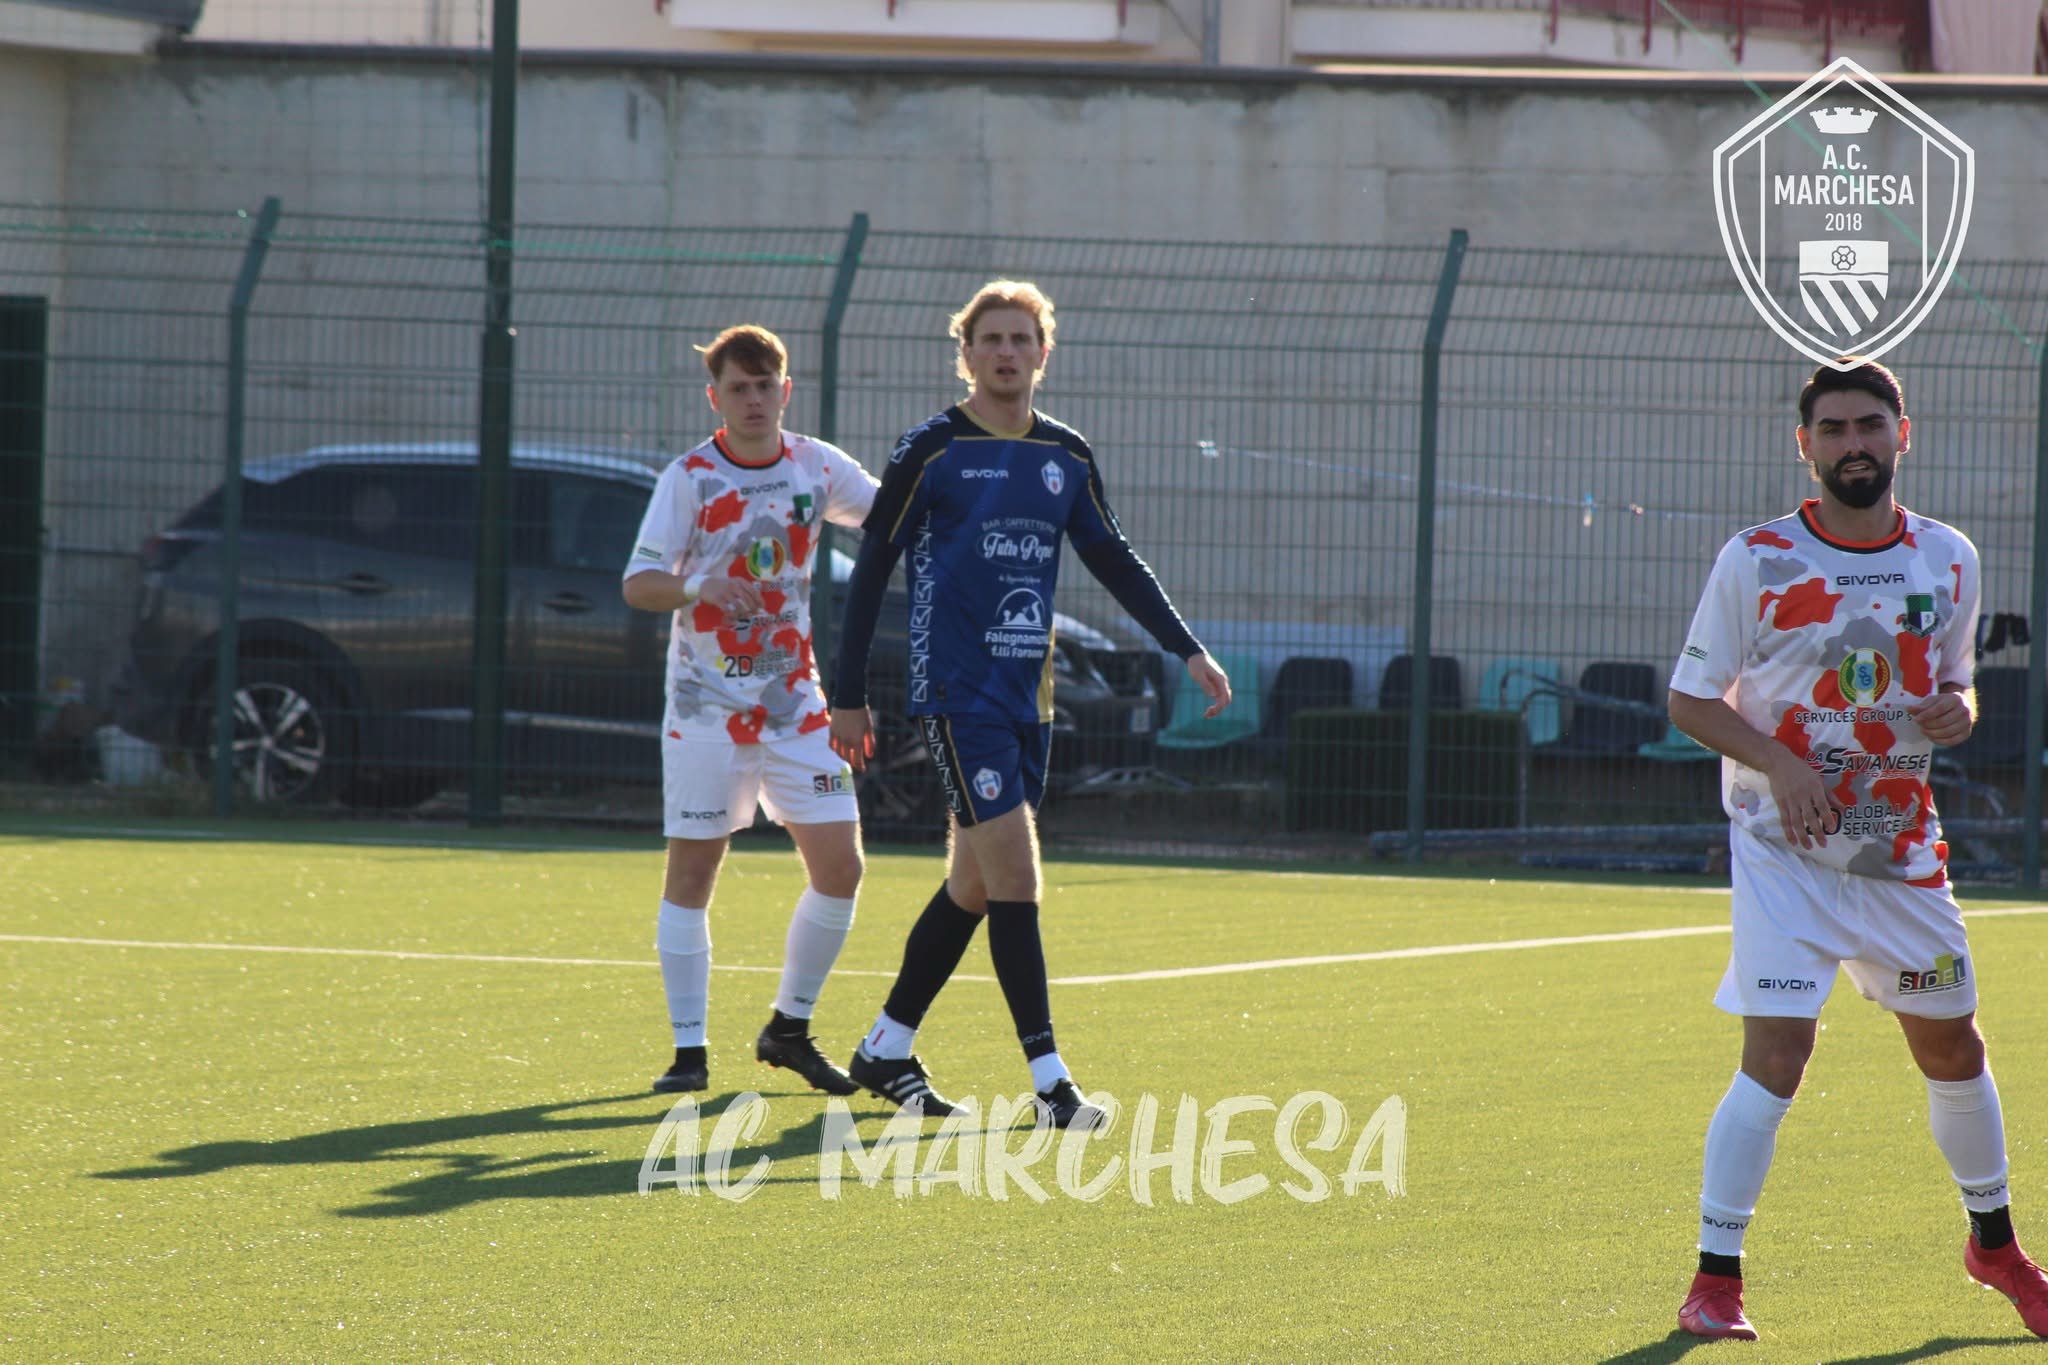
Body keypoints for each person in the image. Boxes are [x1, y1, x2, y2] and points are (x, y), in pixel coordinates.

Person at [1666, 356, 2047, 1340]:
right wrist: (1779, 767)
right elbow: (1689, 701)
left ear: (1899, 435)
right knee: (1778, 1052)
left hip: (1896, 850)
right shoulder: (1754, 559)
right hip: (1779, 846)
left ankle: (1994, 1249)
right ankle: (1714, 1279)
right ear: (1803, 446)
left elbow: (1954, 682)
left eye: (1866, 427)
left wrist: (1956, 711)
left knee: (1951, 1046)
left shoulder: (1948, 558)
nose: (1850, 445)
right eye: (1830, 430)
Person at [826, 280, 1232, 1129]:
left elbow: (1113, 557)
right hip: (954, 695)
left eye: (1021, 339)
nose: (1006, 353)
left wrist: (1185, 646)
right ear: (965, 353)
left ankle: (885, 1045)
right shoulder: (932, 450)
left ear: (1044, 354)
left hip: (1028, 698)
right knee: (1016, 872)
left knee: (972, 886)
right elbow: (870, 571)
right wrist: (849, 694)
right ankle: (1051, 1085)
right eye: (990, 339)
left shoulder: (1067, 457)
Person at [621, 324, 880, 1098]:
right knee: (694, 872)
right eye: (739, 387)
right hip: (704, 710)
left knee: (842, 868)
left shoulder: (815, 464)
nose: (755, 399)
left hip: (796, 707)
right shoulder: (690, 477)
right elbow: (638, 584)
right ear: (716, 397)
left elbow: (891, 516)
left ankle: (789, 1028)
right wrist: (700, 587)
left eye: (767, 385)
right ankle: (688, 1049)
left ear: (786, 391)